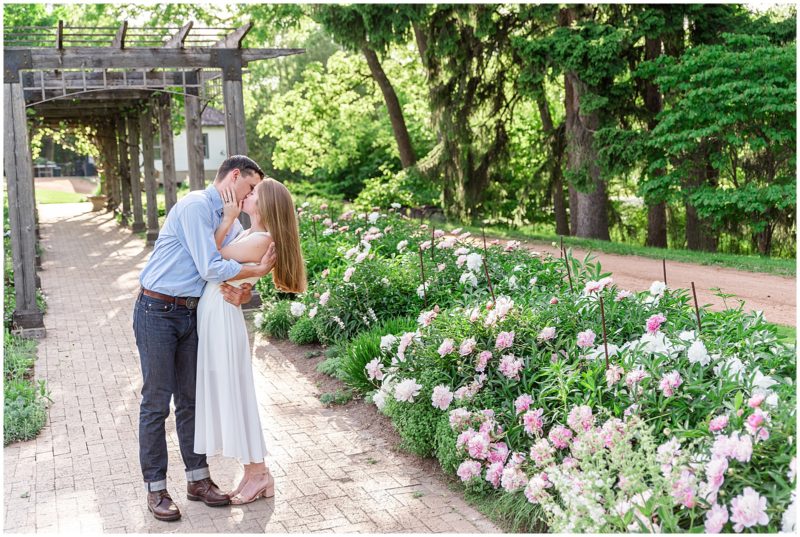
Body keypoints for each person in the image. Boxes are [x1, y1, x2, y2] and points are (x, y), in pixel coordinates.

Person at [133, 155, 276, 522]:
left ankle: (197, 480)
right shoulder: (196, 207)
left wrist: (244, 289)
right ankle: (156, 490)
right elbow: (209, 266)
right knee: (155, 402)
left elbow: (221, 276)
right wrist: (255, 269)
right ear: (233, 176)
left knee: (190, 401)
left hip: (191, 313)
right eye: (249, 187)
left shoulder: (228, 221)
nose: (250, 196)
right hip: (157, 311)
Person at [194, 178, 306, 504]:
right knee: (232, 395)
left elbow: (209, 258)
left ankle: (259, 473)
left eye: (254, 192)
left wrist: (227, 218)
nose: (247, 194)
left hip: (223, 320)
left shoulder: (260, 239)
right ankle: (253, 472)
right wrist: (247, 284)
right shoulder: (251, 234)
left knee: (235, 396)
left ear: (266, 204)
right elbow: (230, 269)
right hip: (219, 313)